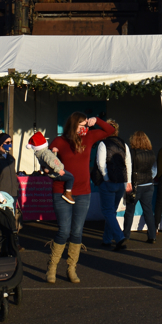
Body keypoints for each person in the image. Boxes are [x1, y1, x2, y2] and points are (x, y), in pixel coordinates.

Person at [46, 114, 115, 284]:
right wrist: (48, 166)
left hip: (83, 191)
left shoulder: (89, 137)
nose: (84, 129)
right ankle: (52, 267)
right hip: (61, 190)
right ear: (72, 125)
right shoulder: (59, 141)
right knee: (63, 230)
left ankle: (71, 268)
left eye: (86, 125)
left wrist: (96, 121)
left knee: (77, 231)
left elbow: (110, 130)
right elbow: (46, 161)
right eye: (81, 125)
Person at [95, 119, 132, 250]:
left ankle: (119, 237)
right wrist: (128, 181)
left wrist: (105, 177)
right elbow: (128, 163)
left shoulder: (103, 144)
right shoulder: (124, 144)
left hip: (109, 182)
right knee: (112, 211)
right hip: (121, 181)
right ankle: (106, 239)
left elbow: (100, 163)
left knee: (108, 211)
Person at [122, 131, 157, 244]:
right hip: (148, 184)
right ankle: (152, 236)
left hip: (135, 186)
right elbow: (154, 171)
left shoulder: (132, 153)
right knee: (148, 211)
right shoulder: (151, 153)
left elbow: (127, 169)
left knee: (129, 211)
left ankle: (126, 235)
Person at [29, 131, 75, 204]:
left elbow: (51, 158)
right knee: (71, 177)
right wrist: (58, 170)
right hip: (56, 172)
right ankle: (68, 193)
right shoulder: (46, 153)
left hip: (52, 172)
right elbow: (51, 162)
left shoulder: (41, 153)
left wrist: (53, 152)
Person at [0, 133, 22, 230]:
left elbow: (13, 174)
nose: (10, 144)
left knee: (14, 219)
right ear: (0, 143)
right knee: (2, 220)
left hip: (13, 192)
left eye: (11, 142)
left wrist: (16, 189)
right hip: (1, 193)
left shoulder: (11, 158)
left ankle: (14, 242)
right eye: (7, 142)